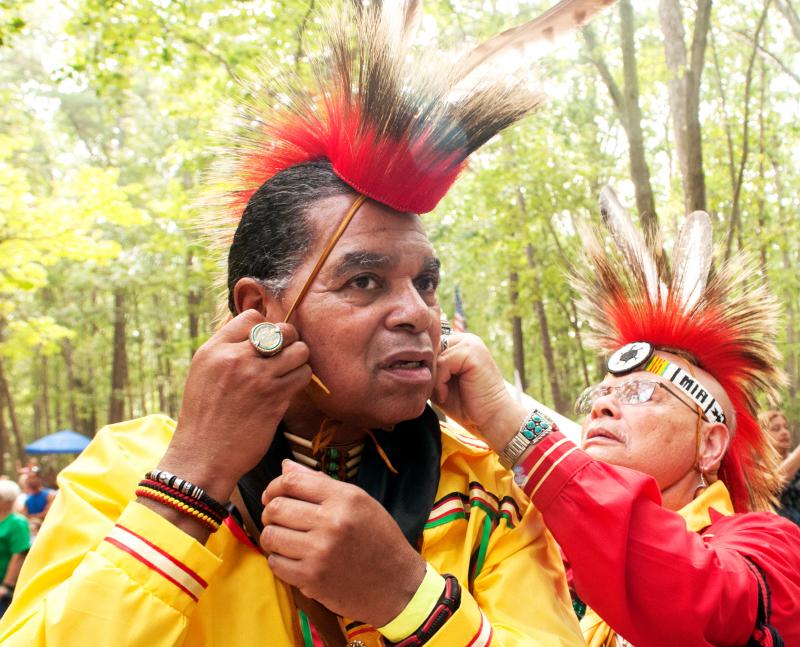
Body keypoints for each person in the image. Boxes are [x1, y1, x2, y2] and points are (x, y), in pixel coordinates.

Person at [0, 3, 620, 645]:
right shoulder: (126, 470)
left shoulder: (484, 490)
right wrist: (188, 485)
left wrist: (410, 601)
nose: (417, 314)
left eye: (425, 283)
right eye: (364, 281)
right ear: (259, 312)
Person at [436, 189, 800, 646]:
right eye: (600, 393)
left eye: (640, 392)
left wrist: (513, 427)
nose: (603, 407)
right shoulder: (551, 556)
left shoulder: (769, 544)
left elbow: (704, 602)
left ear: (709, 444)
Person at [759, 409, 800, 526]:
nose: (784, 432)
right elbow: (773, 483)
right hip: (781, 535)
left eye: (786, 427)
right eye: (776, 429)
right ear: (762, 436)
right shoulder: (757, 469)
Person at [0, 480, 31, 618]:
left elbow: (19, 555)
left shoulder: (18, 523)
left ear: (6, 500)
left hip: (5, 586)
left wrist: (6, 585)